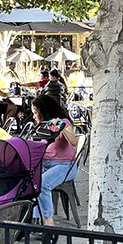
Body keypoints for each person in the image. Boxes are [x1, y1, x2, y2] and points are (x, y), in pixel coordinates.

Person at [31, 94, 79, 227]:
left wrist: (62, 127)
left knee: (42, 184)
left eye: (36, 113)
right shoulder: (44, 125)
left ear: (44, 111)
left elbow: (74, 142)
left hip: (64, 166)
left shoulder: (63, 122)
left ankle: (48, 221)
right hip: (46, 163)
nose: (34, 116)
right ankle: (35, 218)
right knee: (29, 181)